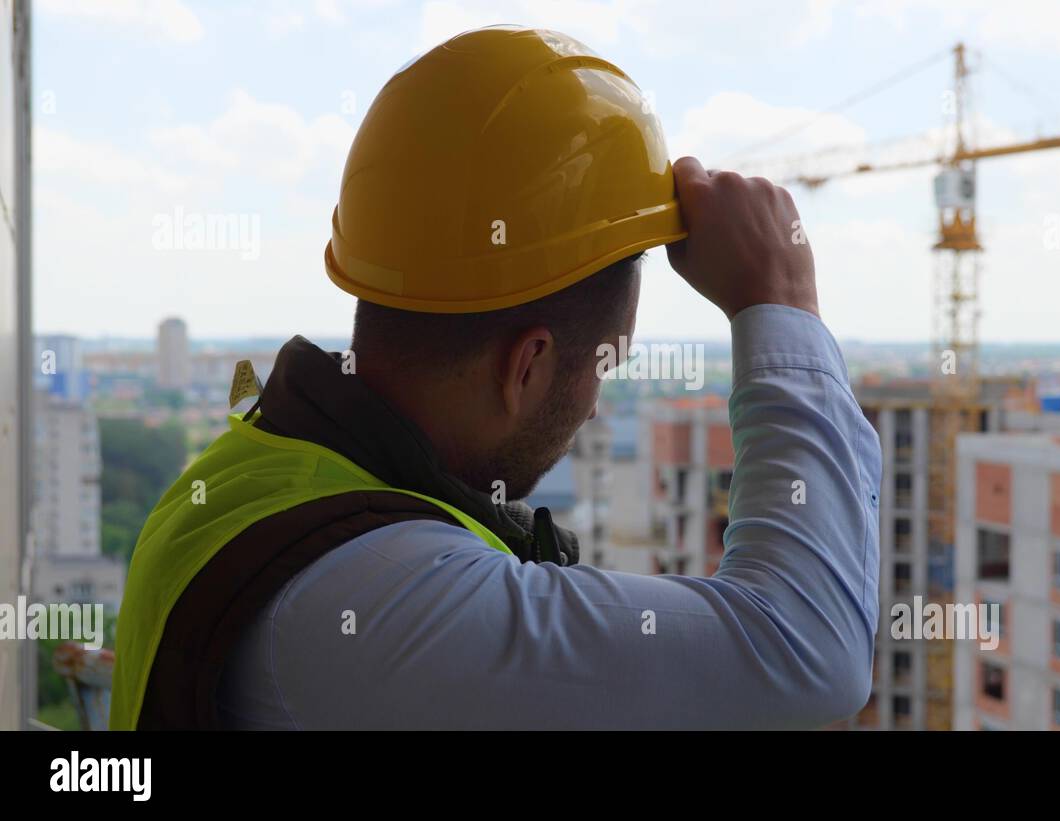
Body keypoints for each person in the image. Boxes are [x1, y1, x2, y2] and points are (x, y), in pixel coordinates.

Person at [109, 25, 880, 731]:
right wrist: (781, 303)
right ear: (528, 364)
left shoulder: (250, 476)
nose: (591, 407)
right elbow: (804, 646)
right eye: (605, 366)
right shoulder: (387, 600)